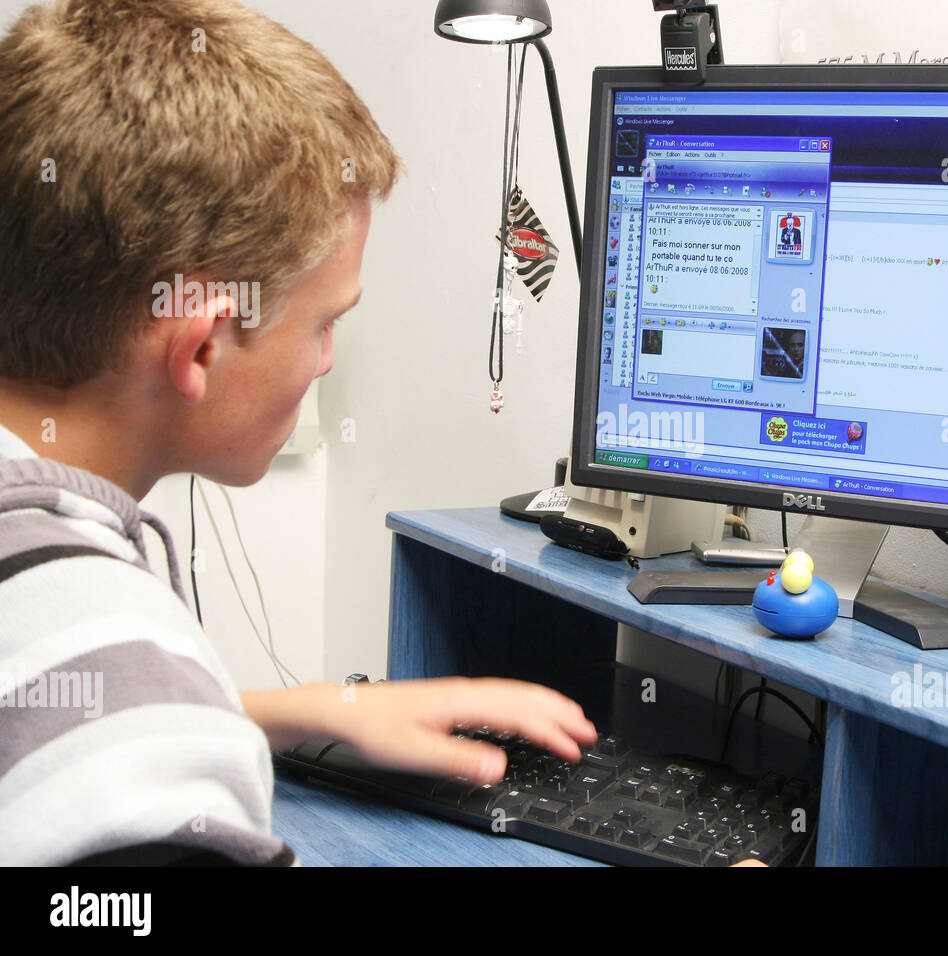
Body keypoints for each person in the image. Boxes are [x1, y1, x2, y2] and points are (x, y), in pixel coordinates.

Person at [0, 0, 597, 866]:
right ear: (200, 344)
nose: (324, 363)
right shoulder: (129, 713)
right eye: (325, 323)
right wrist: (171, 706)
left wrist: (302, 711)